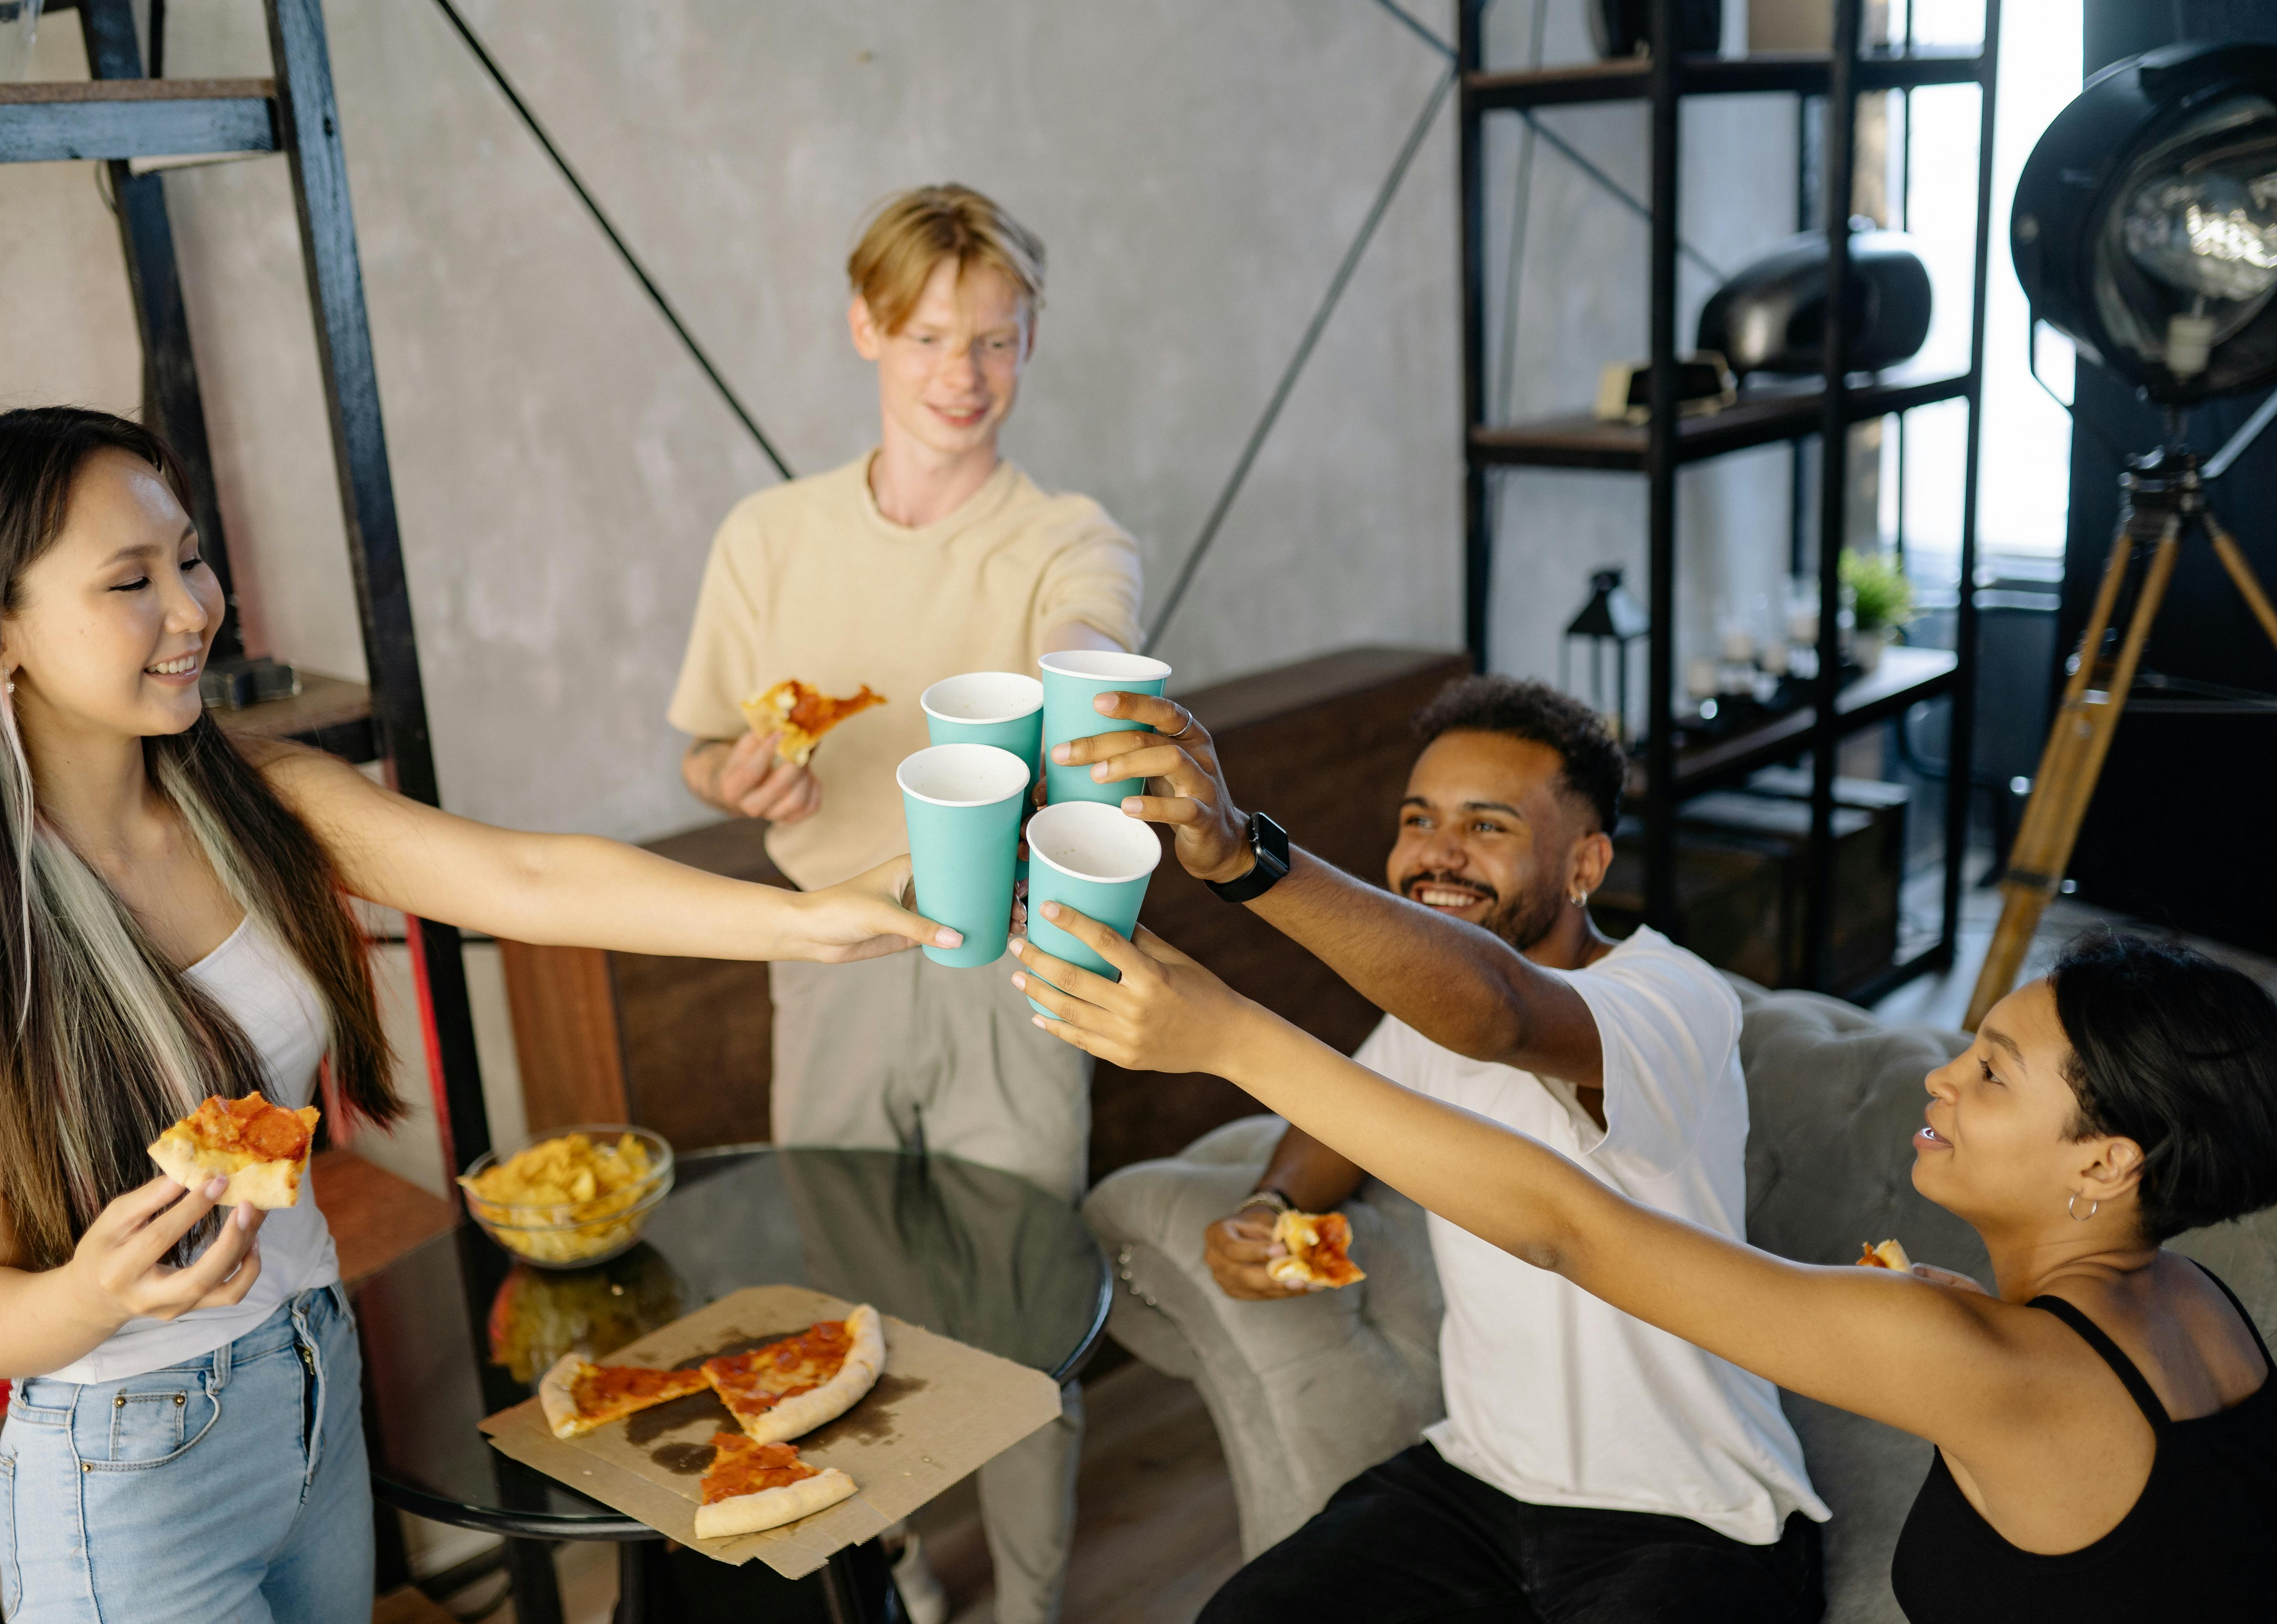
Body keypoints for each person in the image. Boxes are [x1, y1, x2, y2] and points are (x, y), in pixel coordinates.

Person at [0, 408, 959, 1622]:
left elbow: (528, 878)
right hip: (124, 1474)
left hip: (314, 1389)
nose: (194, 609)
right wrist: (99, 1291)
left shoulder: (251, 799)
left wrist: (809, 920)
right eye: (131, 581)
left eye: (191, 559)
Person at [1018, 896, 2277, 1612]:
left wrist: (1230, 1037)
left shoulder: (1989, 1363)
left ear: (2109, 1164)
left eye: (1993, 1073)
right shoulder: (2196, 1307)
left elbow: (1569, 1228)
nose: (1942, 1077)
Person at [1051, 674, 1826, 1620]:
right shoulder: (1420, 1018)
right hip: (1475, 1482)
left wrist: (1245, 855)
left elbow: (1498, 1013)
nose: (1437, 851)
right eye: (1418, 818)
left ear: (1586, 862)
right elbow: (1332, 1126)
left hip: (1693, 1509)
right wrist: (1273, 1208)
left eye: (1487, 824)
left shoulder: (1672, 997)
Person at [666, 183, 1140, 1624]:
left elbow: (1089, 646)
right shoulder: (768, 537)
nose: (964, 375)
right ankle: (906, 1580)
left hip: (1016, 963)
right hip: (830, 960)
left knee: (1025, 1302)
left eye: (995, 340)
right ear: (866, 329)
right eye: (932, 337)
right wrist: (740, 776)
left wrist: (1081, 683)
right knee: (849, 1305)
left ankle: (1033, 1607)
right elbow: (706, 746)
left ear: (1030, 340)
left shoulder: (1068, 535)